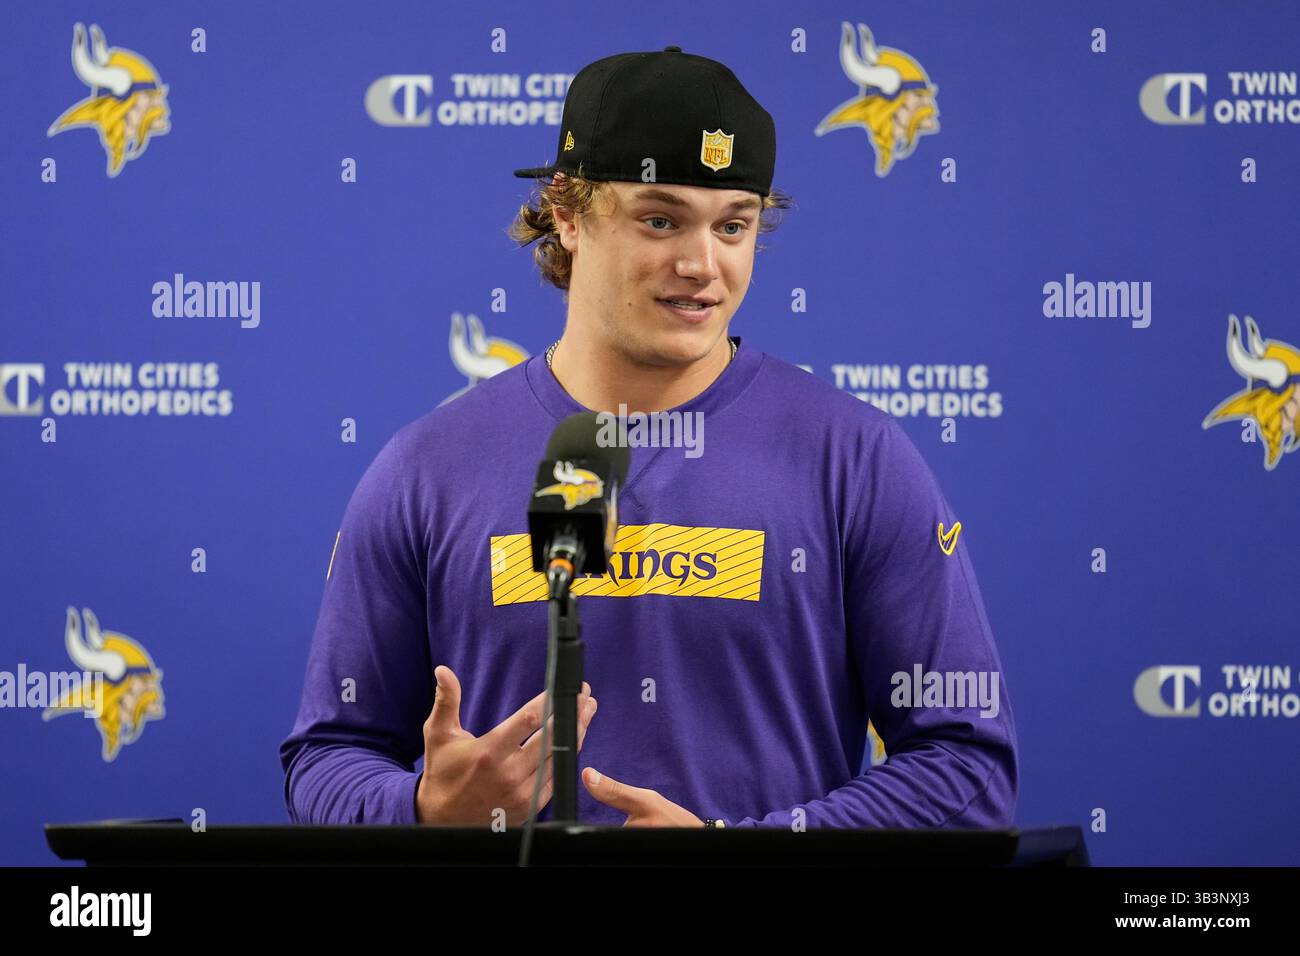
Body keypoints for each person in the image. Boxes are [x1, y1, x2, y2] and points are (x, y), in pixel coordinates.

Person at [280, 45, 1018, 828]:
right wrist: (423, 809)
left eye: (733, 226)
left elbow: (965, 763)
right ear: (566, 213)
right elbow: (327, 756)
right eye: (660, 220)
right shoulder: (425, 469)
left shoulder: (857, 459)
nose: (703, 265)